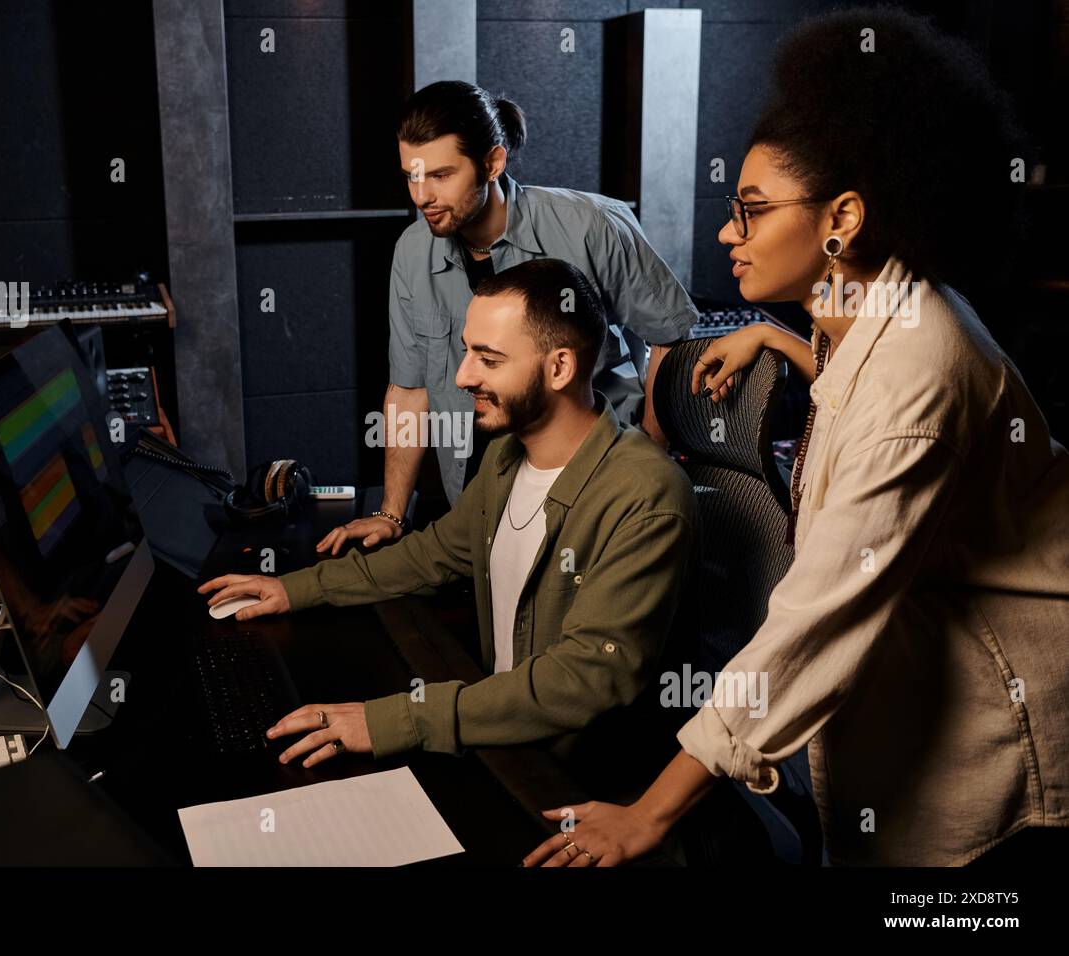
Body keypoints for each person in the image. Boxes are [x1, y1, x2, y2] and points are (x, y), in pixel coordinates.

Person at [525, 7, 1069, 867]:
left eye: (750, 211)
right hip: (914, 688)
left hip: (1003, 720)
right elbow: (868, 408)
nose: (726, 235)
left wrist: (650, 813)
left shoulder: (917, 367)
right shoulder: (868, 313)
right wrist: (781, 342)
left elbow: (813, 617)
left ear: (841, 220)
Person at [199, 259, 696, 766]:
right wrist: (295, 588)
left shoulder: (645, 495)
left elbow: (585, 679)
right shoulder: (506, 457)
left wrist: (391, 720)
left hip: (564, 778)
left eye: (489, 359)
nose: (462, 377)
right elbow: (430, 555)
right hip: (496, 736)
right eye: (466, 351)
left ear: (560, 368)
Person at [316, 80, 698, 557]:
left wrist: (648, 457)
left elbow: (672, 337)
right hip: (479, 500)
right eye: (411, 176)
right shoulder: (412, 253)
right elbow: (410, 389)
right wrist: (393, 513)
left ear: (493, 163)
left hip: (596, 487)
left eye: (440, 175)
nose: (421, 196)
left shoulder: (593, 225)